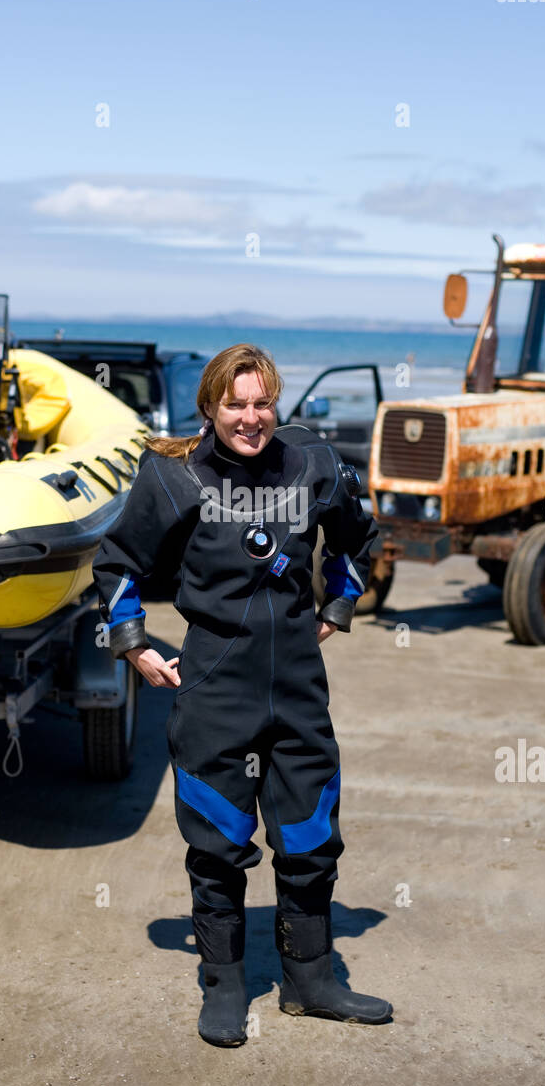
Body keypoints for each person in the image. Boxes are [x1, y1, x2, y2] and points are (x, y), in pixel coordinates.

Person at [92, 343, 392, 1047]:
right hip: (211, 688)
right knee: (218, 844)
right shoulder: (172, 475)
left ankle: (311, 980)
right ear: (210, 407)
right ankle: (224, 985)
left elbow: (355, 534)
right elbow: (116, 564)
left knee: (312, 836)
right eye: (236, 405)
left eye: (262, 404)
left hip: (296, 688)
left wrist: (340, 605)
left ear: (275, 404)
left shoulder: (311, 460)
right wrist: (134, 645)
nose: (251, 419)